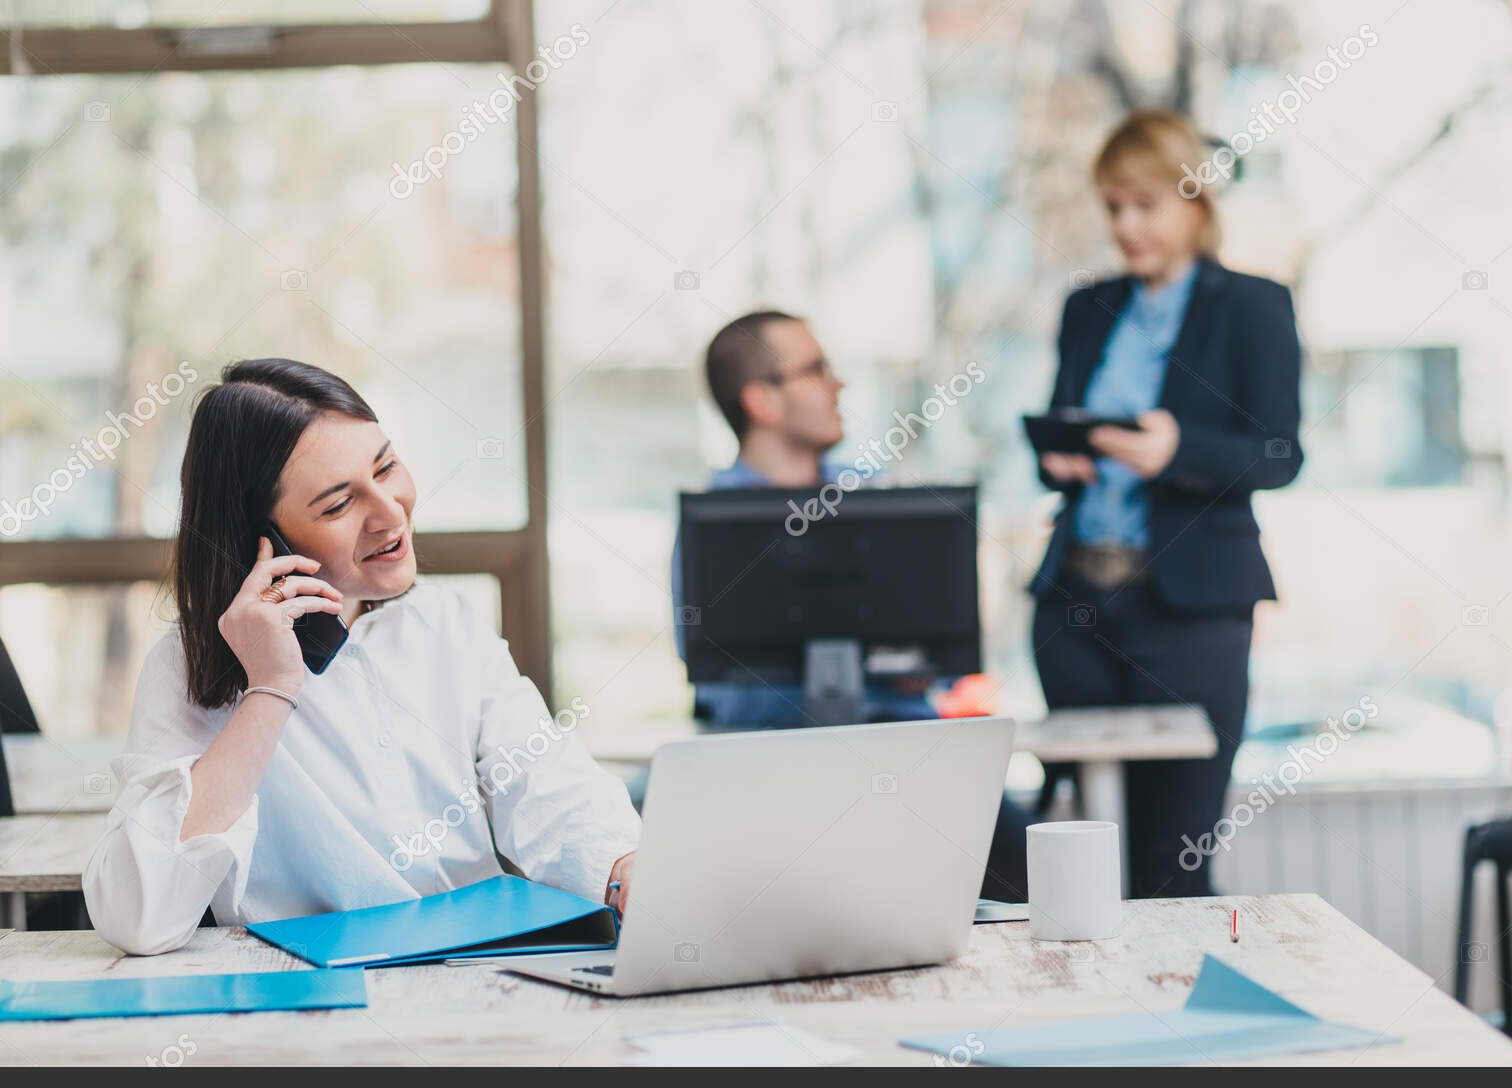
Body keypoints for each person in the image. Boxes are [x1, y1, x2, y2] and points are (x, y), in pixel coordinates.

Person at [83, 358, 641, 955]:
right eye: (337, 505)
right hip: (301, 999)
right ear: (261, 540)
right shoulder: (187, 669)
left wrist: (623, 871)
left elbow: (549, 786)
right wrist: (270, 686)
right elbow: (139, 917)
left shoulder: (442, 624)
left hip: (475, 980)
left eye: (387, 467)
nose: (391, 512)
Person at [1029, 110, 1303, 899]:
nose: (1125, 225)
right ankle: (1101, 1019)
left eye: (1144, 204)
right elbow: (1062, 423)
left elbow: (1281, 453)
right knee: (1086, 859)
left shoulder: (1252, 306)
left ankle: (1183, 1019)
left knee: (1172, 861)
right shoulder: (1090, 308)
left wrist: (1175, 450)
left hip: (1190, 612)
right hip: (1076, 606)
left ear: (1194, 201)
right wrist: (1061, 455)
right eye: (1113, 206)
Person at [674, 310, 1032, 902]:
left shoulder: (874, 502)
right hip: (776, 768)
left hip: (910, 755)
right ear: (762, 401)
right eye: (816, 370)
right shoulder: (713, 529)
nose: (838, 384)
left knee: (1027, 863)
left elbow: (943, 656)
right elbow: (723, 684)